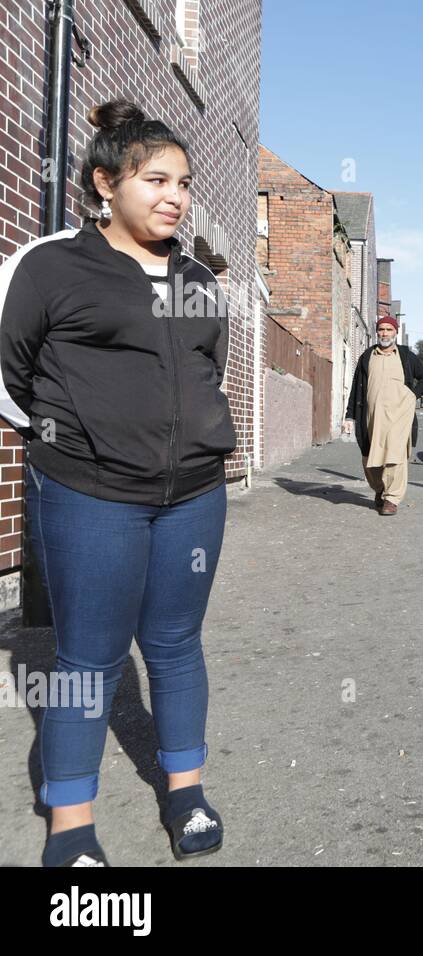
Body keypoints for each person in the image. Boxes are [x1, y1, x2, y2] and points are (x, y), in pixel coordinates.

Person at [0, 99, 235, 865]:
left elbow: (208, 370)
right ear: (106, 184)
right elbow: (12, 374)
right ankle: (71, 824)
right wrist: (65, 438)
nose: (176, 196)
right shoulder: (51, 266)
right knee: (88, 659)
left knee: (174, 645)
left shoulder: (198, 278)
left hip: (193, 496)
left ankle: (186, 791)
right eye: (156, 180)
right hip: (88, 494)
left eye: (185, 182)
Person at [344, 315, 423, 514]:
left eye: (389, 330)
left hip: (399, 416)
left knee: (395, 456)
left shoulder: (406, 356)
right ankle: (380, 488)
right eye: (381, 329)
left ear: (396, 332)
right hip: (372, 417)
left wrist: (413, 395)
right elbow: (356, 390)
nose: (385, 333)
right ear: (377, 332)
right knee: (369, 458)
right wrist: (350, 416)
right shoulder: (367, 356)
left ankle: (392, 499)